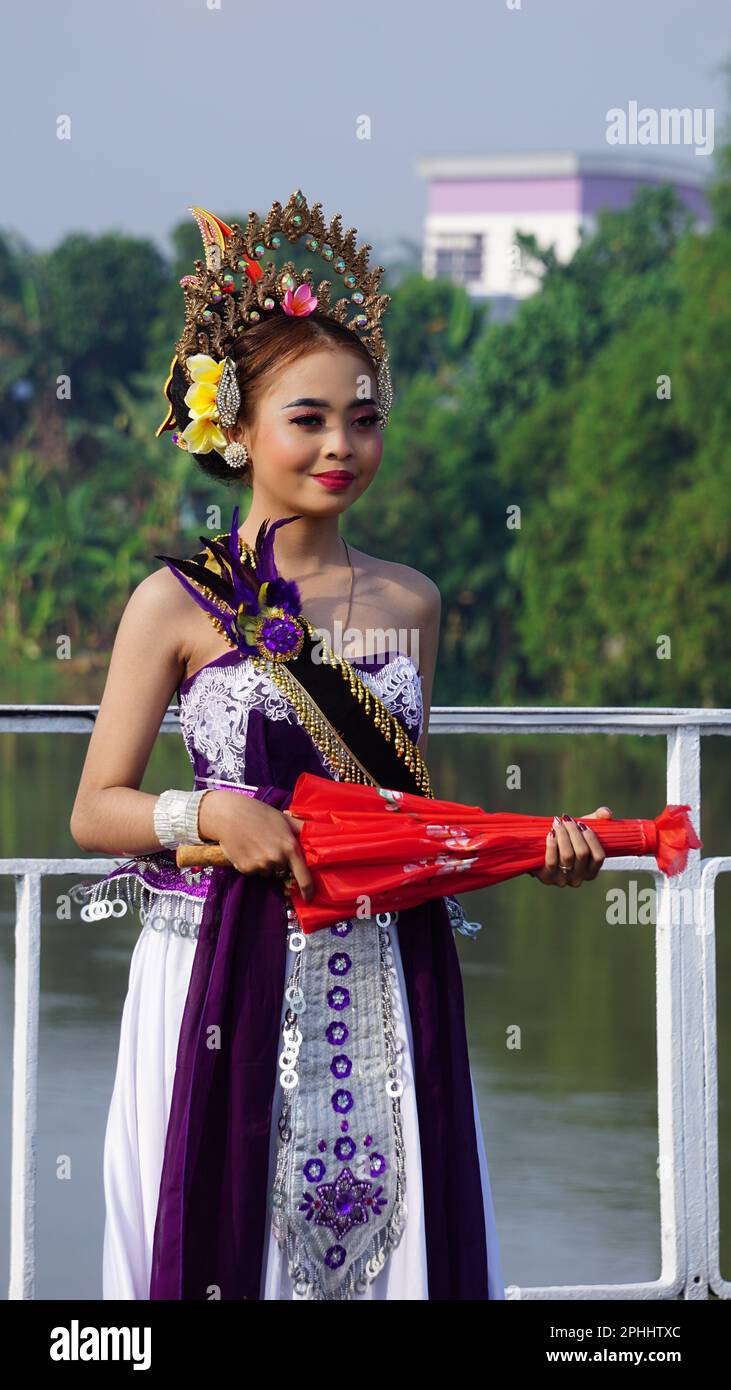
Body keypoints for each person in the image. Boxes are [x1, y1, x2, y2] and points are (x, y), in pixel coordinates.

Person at [69, 190, 611, 1302]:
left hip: (383, 972)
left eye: (362, 417)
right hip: (216, 967)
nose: (339, 445)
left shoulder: (410, 601)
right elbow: (96, 809)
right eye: (307, 418)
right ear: (237, 426)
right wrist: (209, 812)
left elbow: (414, 820)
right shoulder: (174, 603)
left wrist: (535, 847)